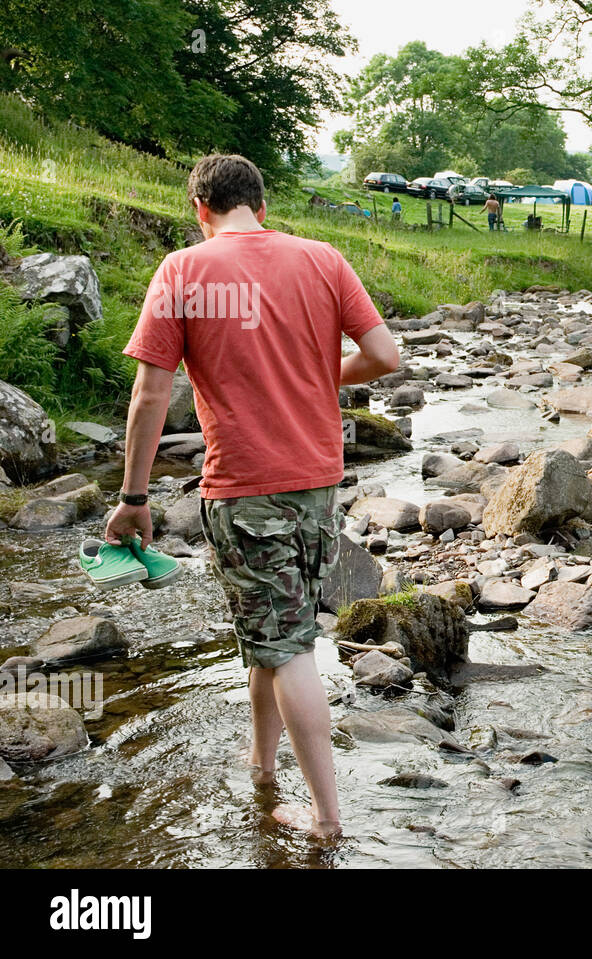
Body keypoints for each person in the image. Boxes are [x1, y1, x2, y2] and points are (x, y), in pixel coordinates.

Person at [106, 154, 401, 839]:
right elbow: (386, 356)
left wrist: (133, 495)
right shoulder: (323, 258)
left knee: (288, 644)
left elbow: (151, 392)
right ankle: (263, 761)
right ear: (261, 207)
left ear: (200, 211)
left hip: (245, 491)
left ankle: (327, 819)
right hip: (322, 487)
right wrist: (318, 372)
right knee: (268, 630)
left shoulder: (183, 270)